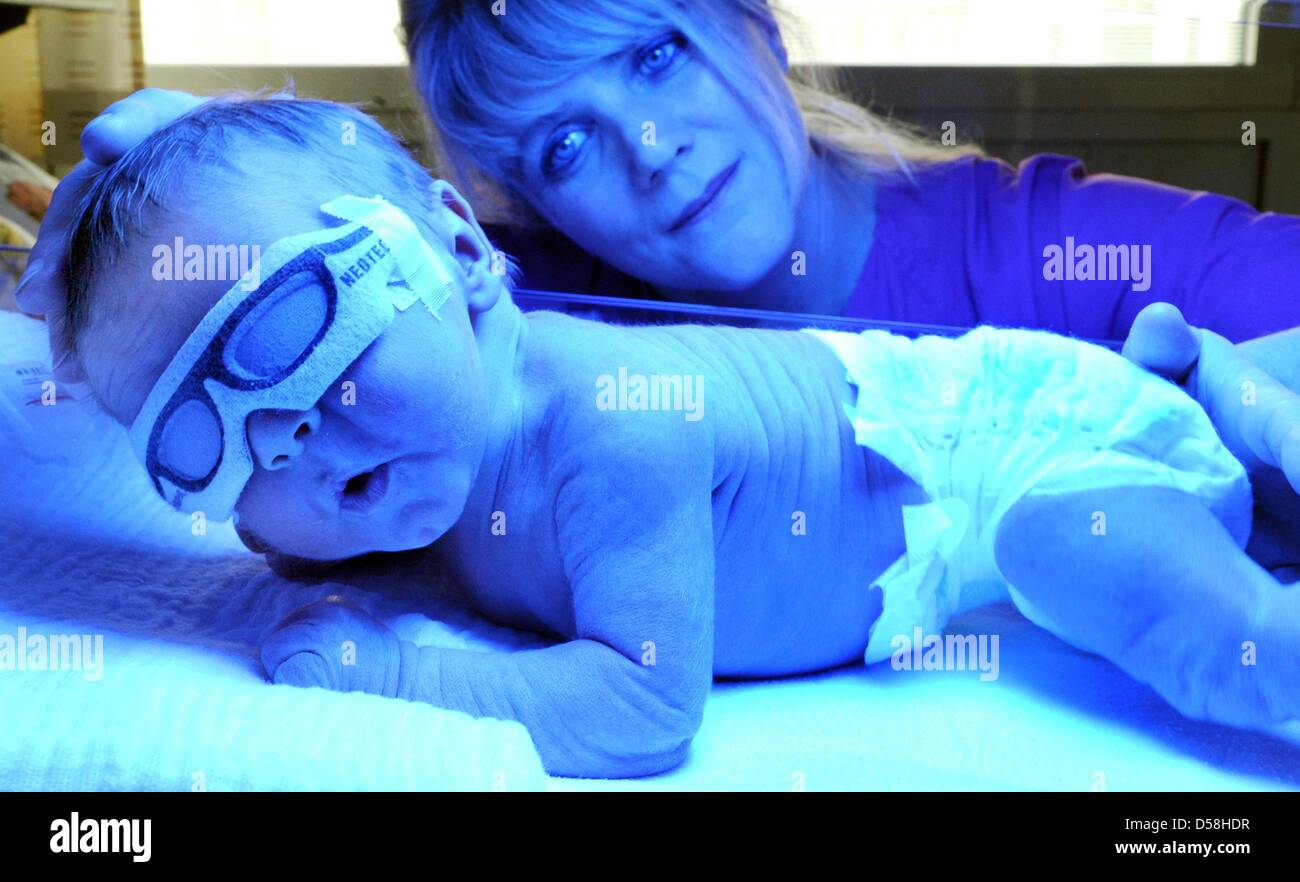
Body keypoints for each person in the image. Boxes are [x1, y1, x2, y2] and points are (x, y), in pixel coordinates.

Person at [62, 96, 1300, 777]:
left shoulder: (611, 424)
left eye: (292, 322)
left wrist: (398, 672)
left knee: (1141, 606)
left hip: (1038, 442)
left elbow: (641, 710)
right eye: (197, 439)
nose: (288, 442)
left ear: (455, 250)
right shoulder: (388, 487)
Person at [14, 0, 1300, 495]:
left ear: (755, 31)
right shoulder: (515, 319)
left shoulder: (1071, 247)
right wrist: (136, 236)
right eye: (564, 147)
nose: (647, 148)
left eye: (652, 57)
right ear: (515, 208)